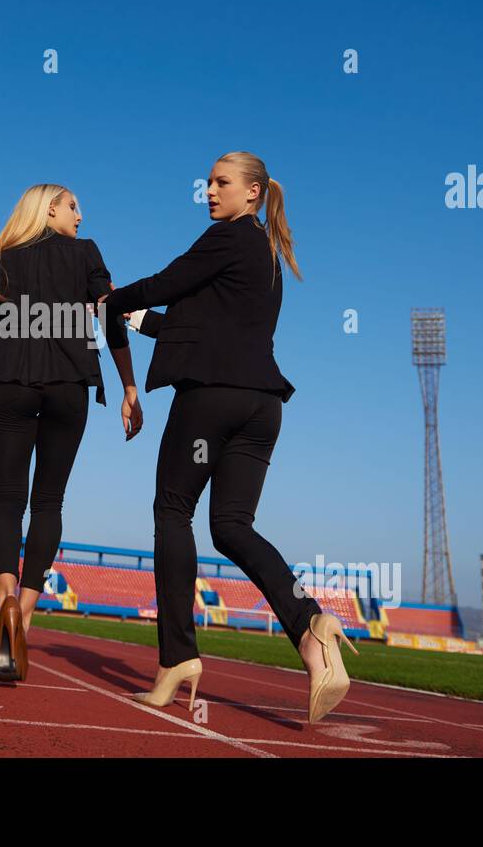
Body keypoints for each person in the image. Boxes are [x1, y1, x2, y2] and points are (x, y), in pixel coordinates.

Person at [101, 151, 357, 723]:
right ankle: (312, 631)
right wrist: (134, 318)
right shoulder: (264, 252)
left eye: (222, 183)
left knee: (172, 510)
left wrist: (110, 301)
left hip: (212, 400)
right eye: (207, 182)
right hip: (261, 407)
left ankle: (176, 660)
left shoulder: (228, 236)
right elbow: (195, 328)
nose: (209, 191)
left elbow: (165, 284)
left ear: (253, 193)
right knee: (233, 527)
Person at [0, 185, 141, 681]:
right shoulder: (86, 253)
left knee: (6, 499)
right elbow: (112, 316)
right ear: (51, 208)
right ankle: (28, 621)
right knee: (49, 503)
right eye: (74, 206)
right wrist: (128, 385)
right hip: (68, 381)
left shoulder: (4, 256)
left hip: (10, 378)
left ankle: (6, 600)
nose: (81, 215)